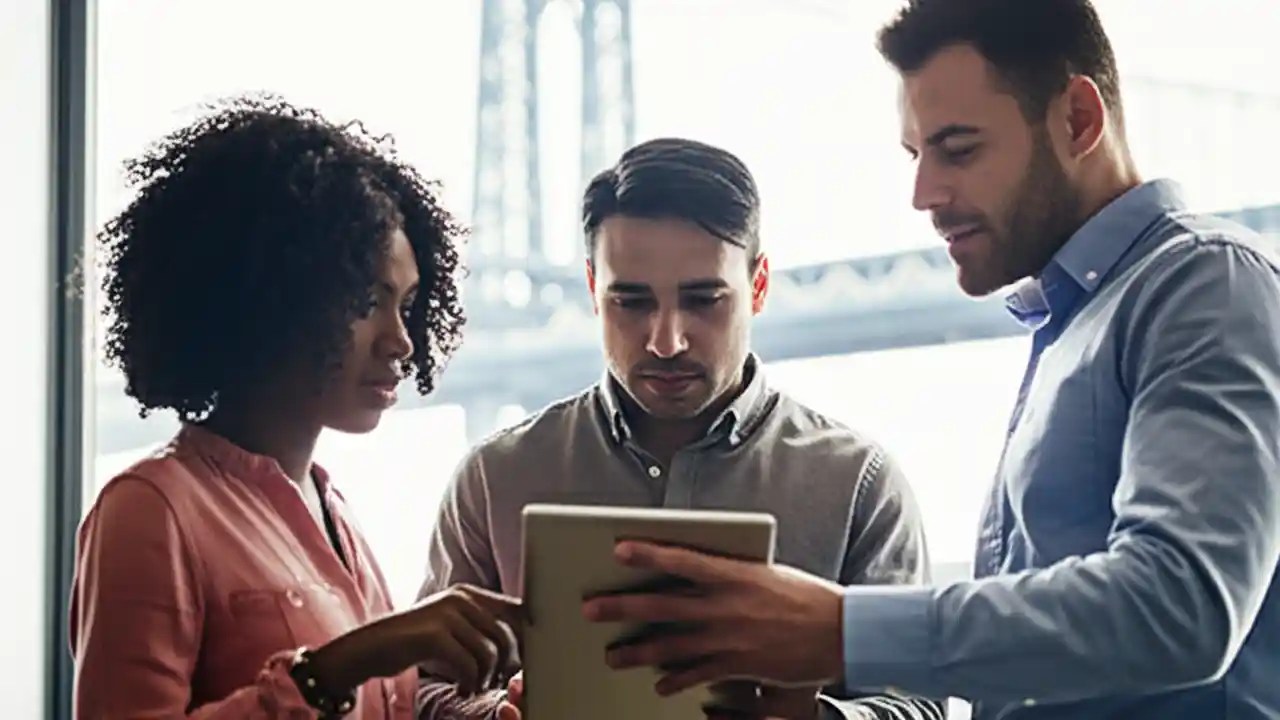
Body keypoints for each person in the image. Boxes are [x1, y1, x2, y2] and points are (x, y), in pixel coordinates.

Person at [578, 1, 1280, 719]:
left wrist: (836, 630)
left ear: (1077, 119)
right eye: (917, 156)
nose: (923, 195)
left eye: (959, 148)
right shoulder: (1074, 325)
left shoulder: (1204, 285)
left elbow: (1183, 605)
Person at [414, 137, 944, 720]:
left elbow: (920, 707)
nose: (666, 341)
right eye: (631, 303)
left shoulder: (858, 485)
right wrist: (497, 715)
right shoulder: (493, 479)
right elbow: (416, 690)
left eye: (703, 300)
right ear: (594, 290)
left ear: (759, 286)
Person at [71, 95, 523, 719]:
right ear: (270, 298)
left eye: (407, 304)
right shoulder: (152, 511)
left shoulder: (332, 511)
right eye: (368, 302)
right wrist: (344, 664)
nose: (402, 340)